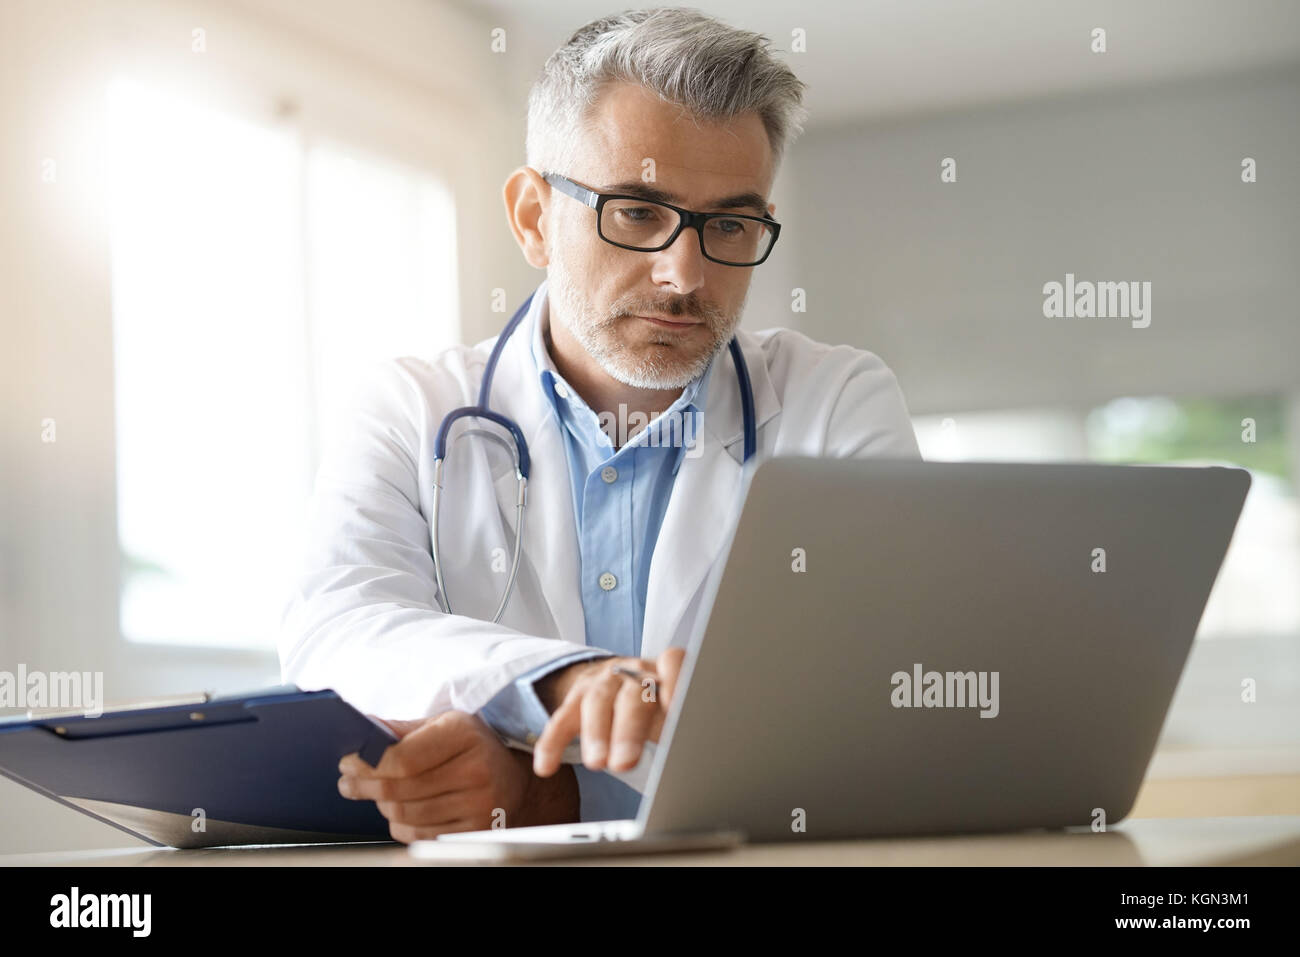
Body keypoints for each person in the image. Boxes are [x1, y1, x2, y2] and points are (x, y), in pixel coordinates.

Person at [280, 7, 920, 844]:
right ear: (534, 217)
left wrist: (552, 795)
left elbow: (888, 699)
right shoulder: (409, 411)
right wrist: (558, 685)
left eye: (729, 223)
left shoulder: (835, 403)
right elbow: (337, 633)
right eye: (638, 212)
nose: (684, 275)